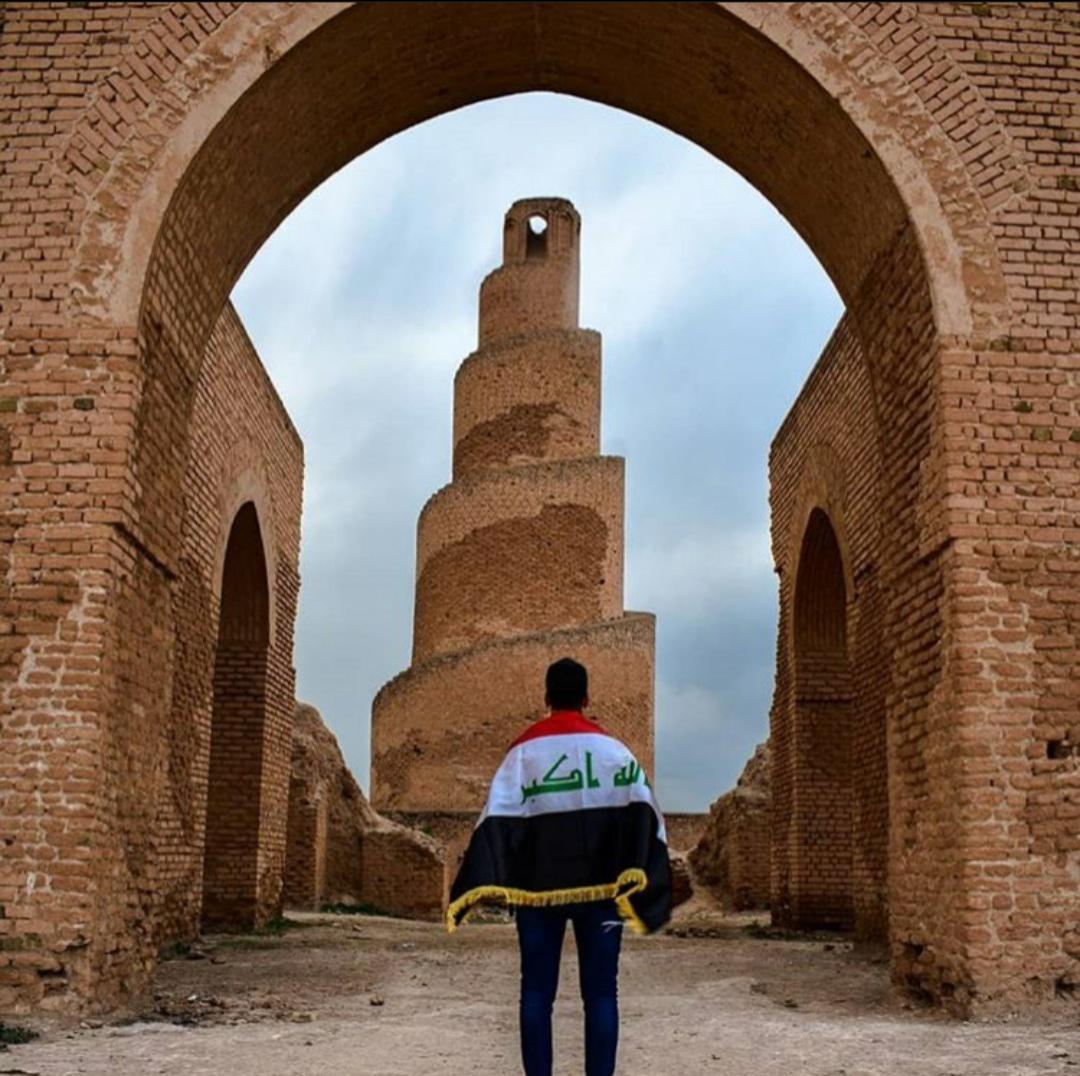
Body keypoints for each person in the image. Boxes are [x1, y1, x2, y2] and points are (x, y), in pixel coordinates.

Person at [446, 657, 671, 1076]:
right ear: (587, 698)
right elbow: (648, 817)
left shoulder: (523, 753)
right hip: (601, 896)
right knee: (602, 995)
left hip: (537, 894)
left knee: (535, 994)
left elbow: (496, 818)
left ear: (546, 697)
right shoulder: (614, 753)